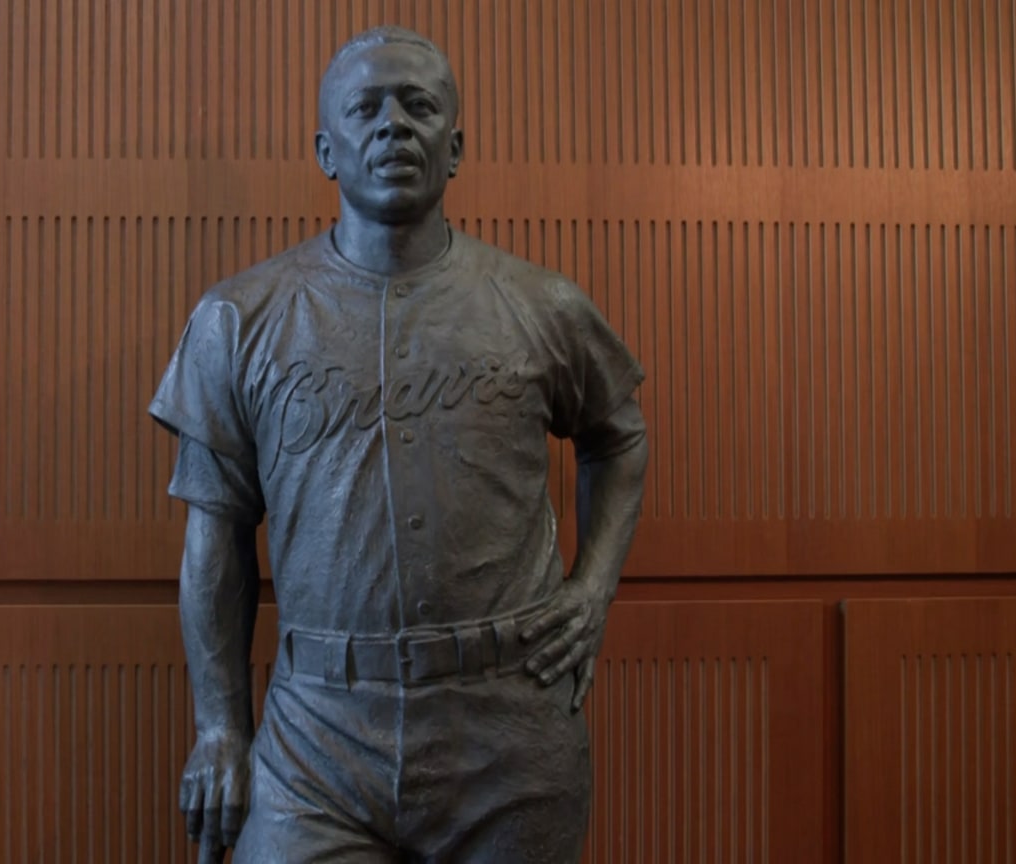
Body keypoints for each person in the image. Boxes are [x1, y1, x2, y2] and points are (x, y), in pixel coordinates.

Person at [149, 26, 647, 863]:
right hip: (316, 740)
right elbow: (214, 539)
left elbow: (620, 438)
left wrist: (592, 592)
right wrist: (218, 729)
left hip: (509, 734)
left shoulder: (544, 304)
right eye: (365, 108)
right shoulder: (238, 321)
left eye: (419, 107)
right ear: (326, 148)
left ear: (455, 147)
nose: (393, 126)